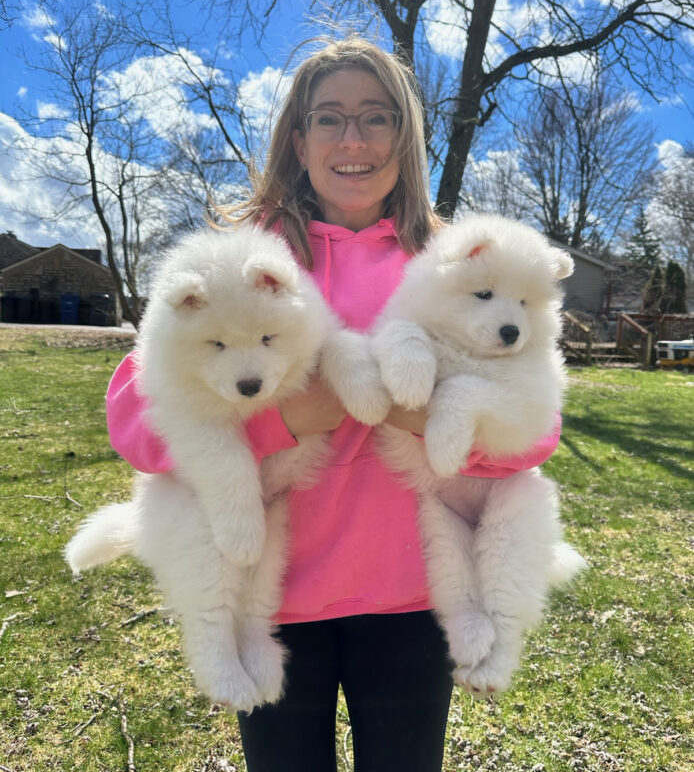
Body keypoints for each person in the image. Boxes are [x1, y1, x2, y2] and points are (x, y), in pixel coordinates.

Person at [106, 37, 561, 772]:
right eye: (330, 119)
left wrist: (428, 418)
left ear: (404, 138)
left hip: (412, 596)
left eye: (376, 117)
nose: (353, 139)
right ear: (299, 138)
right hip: (277, 600)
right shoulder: (242, 263)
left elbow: (537, 427)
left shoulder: (454, 266)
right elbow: (135, 420)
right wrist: (283, 423)